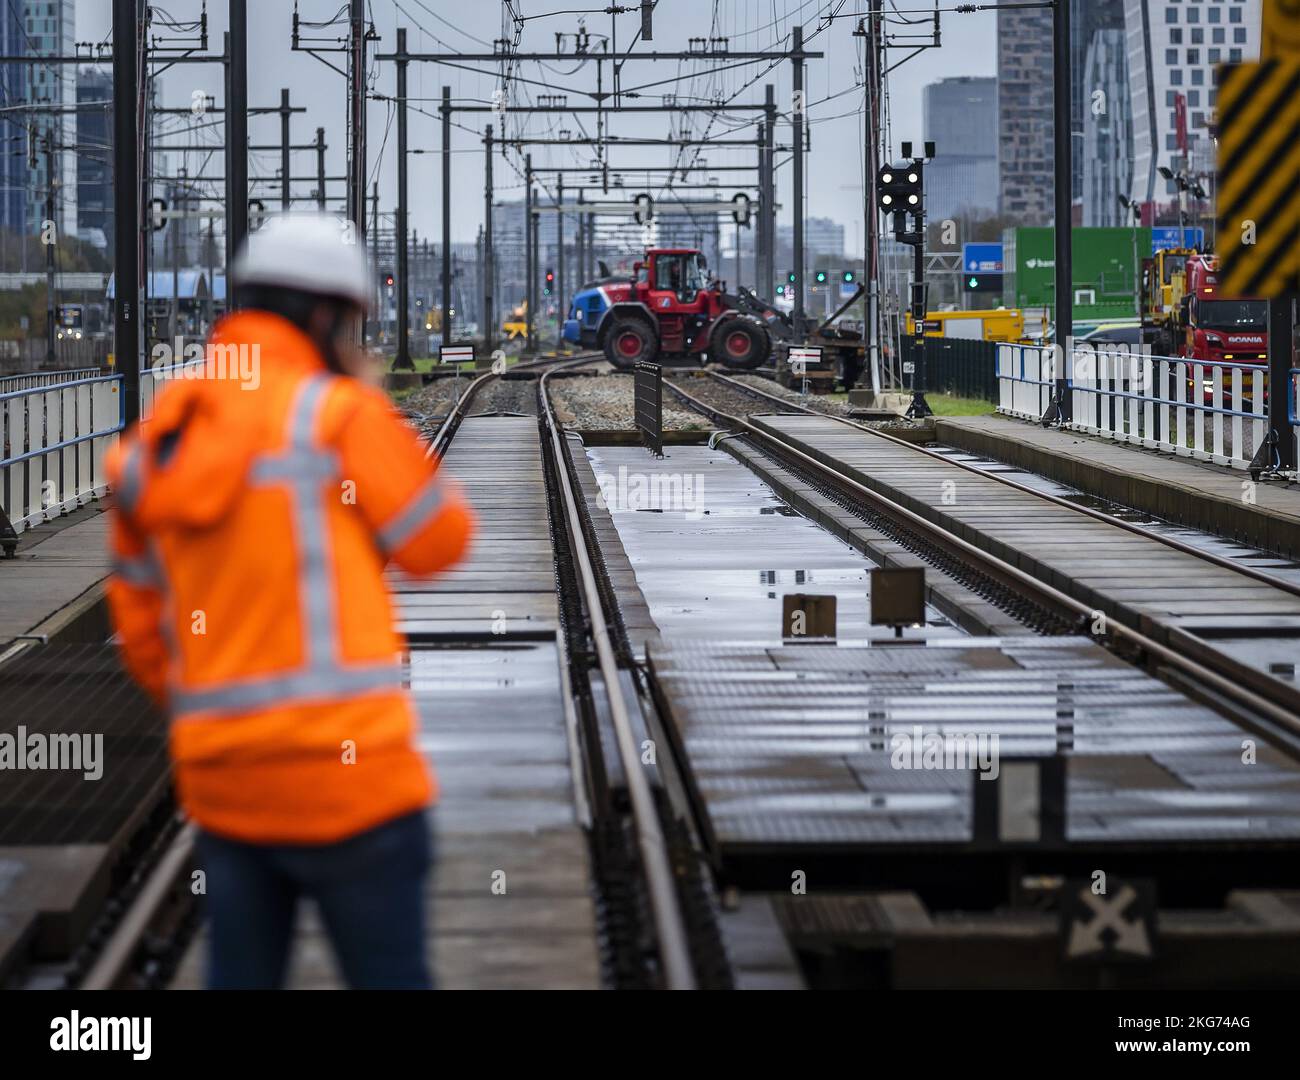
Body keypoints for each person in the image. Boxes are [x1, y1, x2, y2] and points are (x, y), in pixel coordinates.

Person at [105, 214, 474, 989]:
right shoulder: (332, 415)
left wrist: (216, 709)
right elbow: (438, 541)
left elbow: (142, 632)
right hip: (354, 782)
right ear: (325, 317)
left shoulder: (158, 440)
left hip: (226, 785)